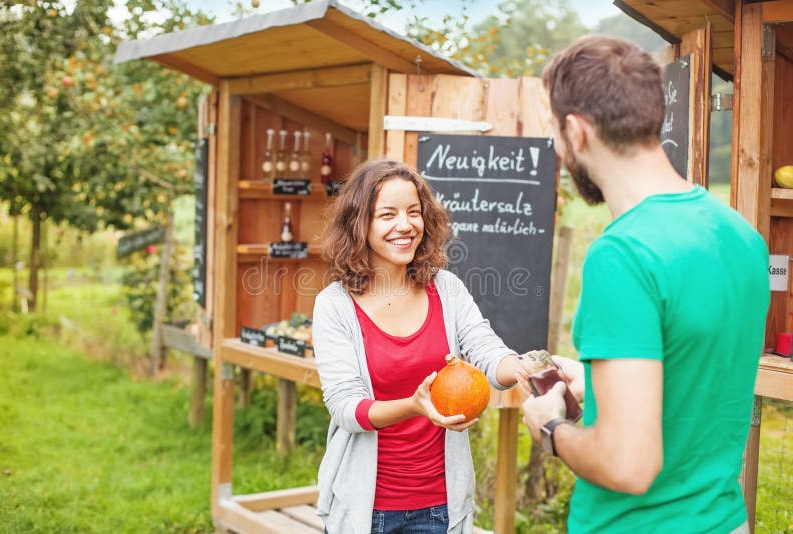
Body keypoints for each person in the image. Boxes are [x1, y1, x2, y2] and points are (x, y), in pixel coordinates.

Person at [518, 35, 769, 533]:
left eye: (555, 132)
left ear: (577, 131)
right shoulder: (741, 236)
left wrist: (550, 428)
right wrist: (602, 390)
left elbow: (627, 464)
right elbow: (696, 380)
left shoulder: (622, 254)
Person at [312, 158, 523, 534]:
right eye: (387, 214)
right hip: (367, 509)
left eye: (414, 212)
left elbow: (486, 349)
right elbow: (346, 407)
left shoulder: (446, 289)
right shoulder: (335, 305)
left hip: (440, 507)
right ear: (359, 224)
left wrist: (524, 367)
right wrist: (414, 406)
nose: (405, 225)